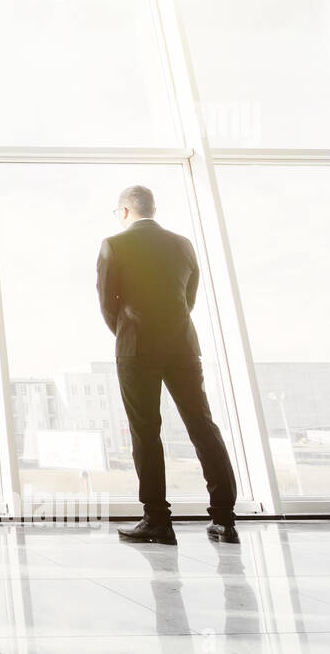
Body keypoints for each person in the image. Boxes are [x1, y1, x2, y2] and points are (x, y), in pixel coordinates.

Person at [96, 185, 238, 545]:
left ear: (124, 211)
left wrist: (128, 330)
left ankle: (157, 520)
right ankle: (224, 520)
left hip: (136, 347)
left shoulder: (114, 245)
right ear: (153, 209)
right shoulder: (183, 244)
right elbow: (188, 297)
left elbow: (107, 303)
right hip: (182, 345)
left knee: (145, 432)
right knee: (202, 426)